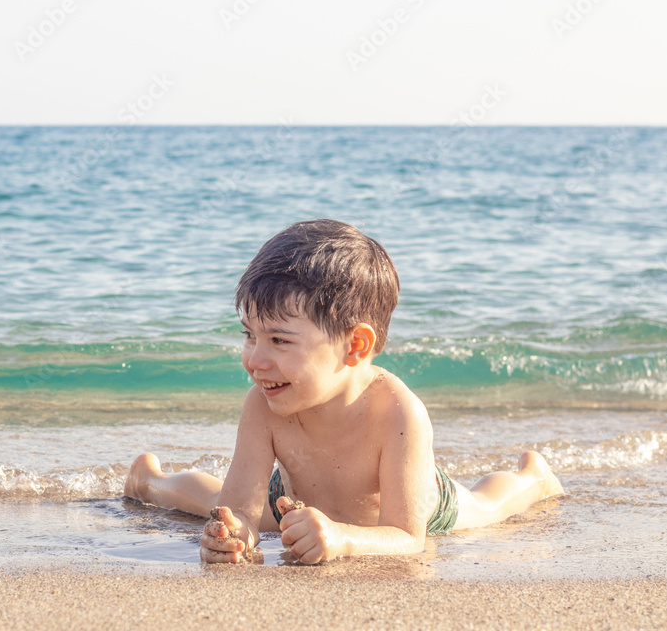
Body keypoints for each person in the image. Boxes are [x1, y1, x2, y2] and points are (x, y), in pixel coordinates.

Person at [124, 219, 564, 564]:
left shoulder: (398, 413)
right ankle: (151, 481)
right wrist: (231, 535)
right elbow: (238, 508)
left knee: (489, 506)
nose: (255, 359)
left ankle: (534, 476)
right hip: (295, 501)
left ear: (355, 346)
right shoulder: (265, 403)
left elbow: (409, 539)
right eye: (249, 335)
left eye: (279, 340)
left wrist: (343, 538)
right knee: (217, 504)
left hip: (418, 510)